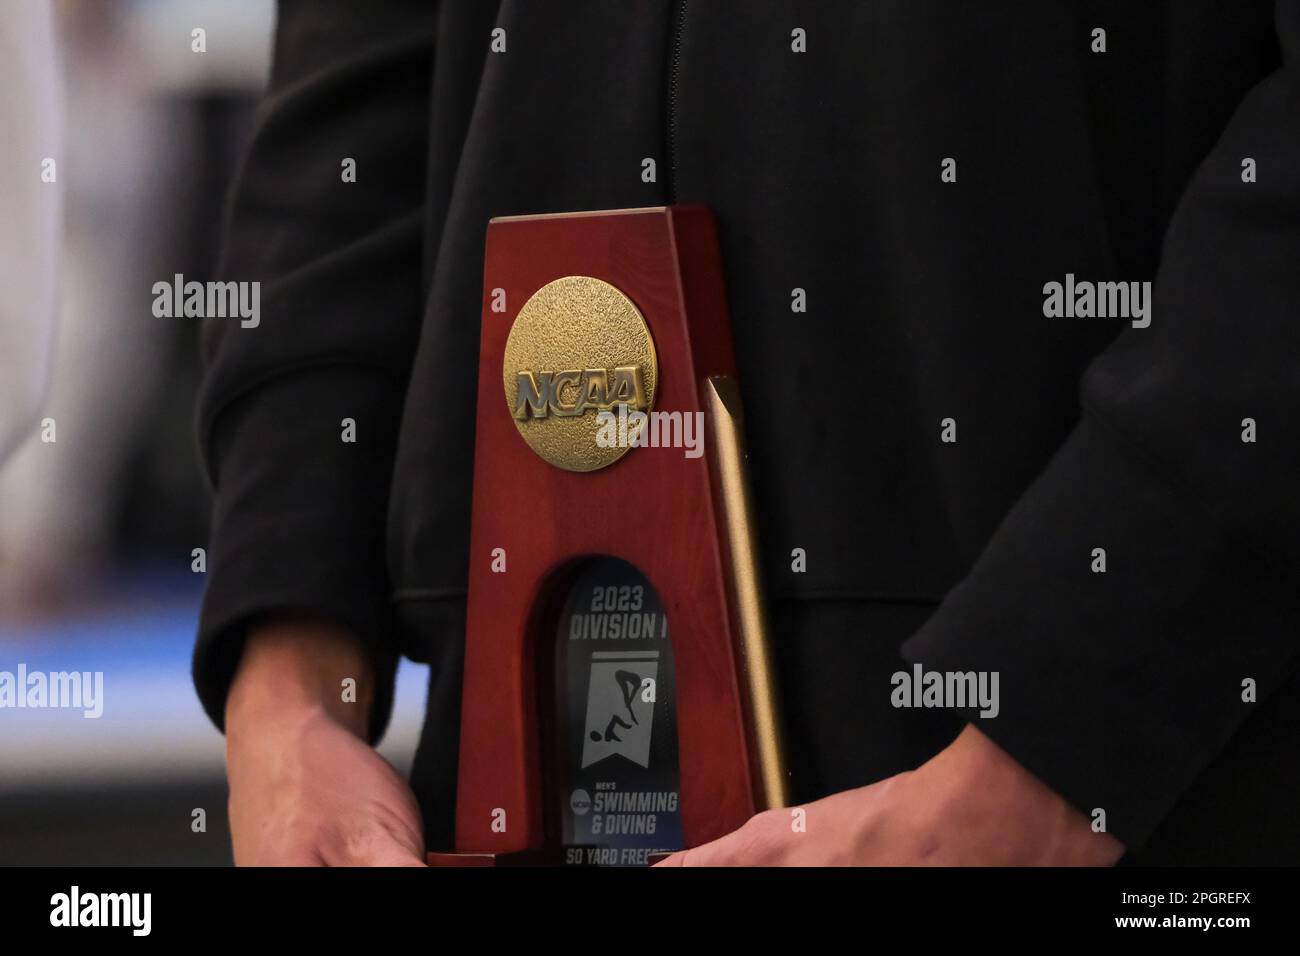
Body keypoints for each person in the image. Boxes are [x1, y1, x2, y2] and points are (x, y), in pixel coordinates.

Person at [196, 0, 1300, 866]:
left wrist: (1065, 735)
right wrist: (285, 696)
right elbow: (355, 97)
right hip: (507, 737)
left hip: (1114, 766)